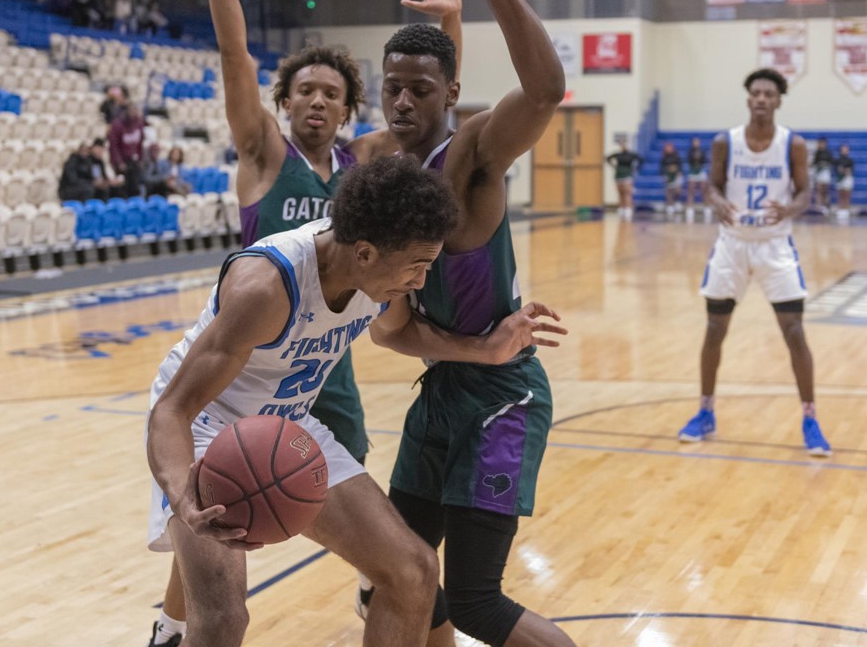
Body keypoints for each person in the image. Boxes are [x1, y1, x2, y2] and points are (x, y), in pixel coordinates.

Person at [143, 0, 466, 644]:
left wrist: (449, 23)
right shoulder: (263, 156)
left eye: (332, 93)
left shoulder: (372, 177)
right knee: (222, 611)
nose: (317, 102)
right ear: (287, 103)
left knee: (409, 569)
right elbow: (234, 52)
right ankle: (171, 622)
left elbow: (435, 119)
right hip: (229, 387)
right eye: (305, 92)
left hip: (312, 378)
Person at [146, 155, 567, 647]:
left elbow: (398, 333)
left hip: (287, 425)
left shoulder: (377, 276)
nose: (420, 281)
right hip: (209, 426)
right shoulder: (266, 286)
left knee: (413, 570)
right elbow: (172, 409)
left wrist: (485, 350)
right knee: (222, 618)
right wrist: (181, 494)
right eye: (417, 267)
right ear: (365, 253)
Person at [347, 0, 578, 646]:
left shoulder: (476, 152)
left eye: (420, 87)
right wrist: (471, 353)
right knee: (397, 574)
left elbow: (546, 89)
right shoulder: (378, 166)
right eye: (391, 88)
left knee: (476, 600)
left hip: (506, 396)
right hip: (448, 387)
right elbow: (390, 329)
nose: (404, 100)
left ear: (450, 92)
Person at [678, 68, 830, 457]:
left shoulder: (791, 144)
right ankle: (705, 411)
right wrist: (716, 201)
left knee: (794, 331)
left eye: (769, 94)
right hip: (732, 244)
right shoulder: (724, 142)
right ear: (748, 99)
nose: (761, 99)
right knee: (714, 329)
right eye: (756, 93)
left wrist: (789, 209)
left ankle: (810, 418)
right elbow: (711, 185)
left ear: (778, 100)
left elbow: (803, 192)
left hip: (775, 244)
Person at [109, 101, 146, 197]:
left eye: (135, 111)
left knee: (135, 186)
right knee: (123, 187)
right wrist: (119, 161)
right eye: (131, 110)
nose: (133, 113)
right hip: (122, 160)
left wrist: (141, 159)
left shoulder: (139, 123)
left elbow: (140, 143)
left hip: (134, 160)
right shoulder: (117, 125)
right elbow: (113, 146)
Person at [606, 141, 643, 221]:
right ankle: (622, 208)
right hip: (619, 174)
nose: (623, 146)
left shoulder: (631, 155)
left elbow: (641, 160)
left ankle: (628, 209)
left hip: (627, 175)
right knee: (620, 192)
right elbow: (608, 158)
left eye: (625, 145)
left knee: (627, 192)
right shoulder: (618, 154)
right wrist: (614, 166)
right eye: (622, 145)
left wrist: (635, 168)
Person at [685, 136, 709, 223]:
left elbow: (705, 160)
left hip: (701, 171)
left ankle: (707, 208)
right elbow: (688, 160)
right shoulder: (690, 152)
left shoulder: (702, 151)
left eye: (697, 142)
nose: (696, 143)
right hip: (693, 171)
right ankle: (690, 208)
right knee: (691, 190)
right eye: (695, 142)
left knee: (704, 189)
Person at [660, 141, 684, 217]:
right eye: (667, 148)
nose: (669, 149)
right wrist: (666, 174)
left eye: (670, 147)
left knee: (678, 190)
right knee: (669, 191)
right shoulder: (664, 158)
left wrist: (678, 172)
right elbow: (661, 169)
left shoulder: (676, 157)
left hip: (676, 175)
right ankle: (670, 205)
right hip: (668, 176)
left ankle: (677, 202)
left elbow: (680, 166)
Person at [812, 136, 834, 212]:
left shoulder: (828, 153)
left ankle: (826, 206)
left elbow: (832, 162)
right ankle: (818, 206)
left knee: (826, 190)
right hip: (819, 173)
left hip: (826, 173)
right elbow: (814, 163)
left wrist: (825, 165)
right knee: (818, 190)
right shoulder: (817, 153)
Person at [834, 144, 854, 223]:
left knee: (847, 194)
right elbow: (836, 169)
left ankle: (846, 209)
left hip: (847, 178)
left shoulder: (850, 160)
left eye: (846, 149)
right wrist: (840, 171)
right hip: (840, 178)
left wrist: (847, 171)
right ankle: (840, 209)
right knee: (840, 194)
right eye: (843, 149)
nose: (844, 150)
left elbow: (851, 170)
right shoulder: (838, 160)